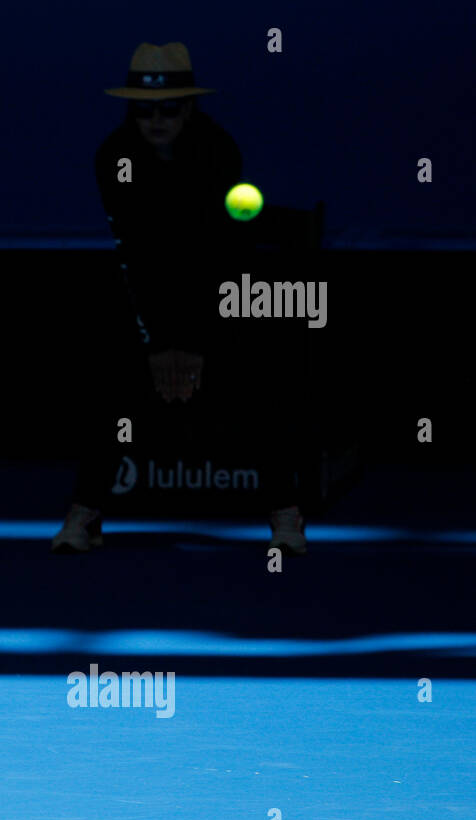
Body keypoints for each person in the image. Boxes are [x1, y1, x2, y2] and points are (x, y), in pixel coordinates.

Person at [52, 41, 308, 555]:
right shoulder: (113, 157)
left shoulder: (219, 150)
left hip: (218, 290)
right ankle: (84, 517)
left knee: (257, 389)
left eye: (169, 108)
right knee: (112, 393)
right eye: (144, 109)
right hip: (144, 288)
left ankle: (287, 518)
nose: (156, 119)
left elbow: (220, 255)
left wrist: (193, 342)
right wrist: (156, 346)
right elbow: (136, 255)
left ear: (190, 108)